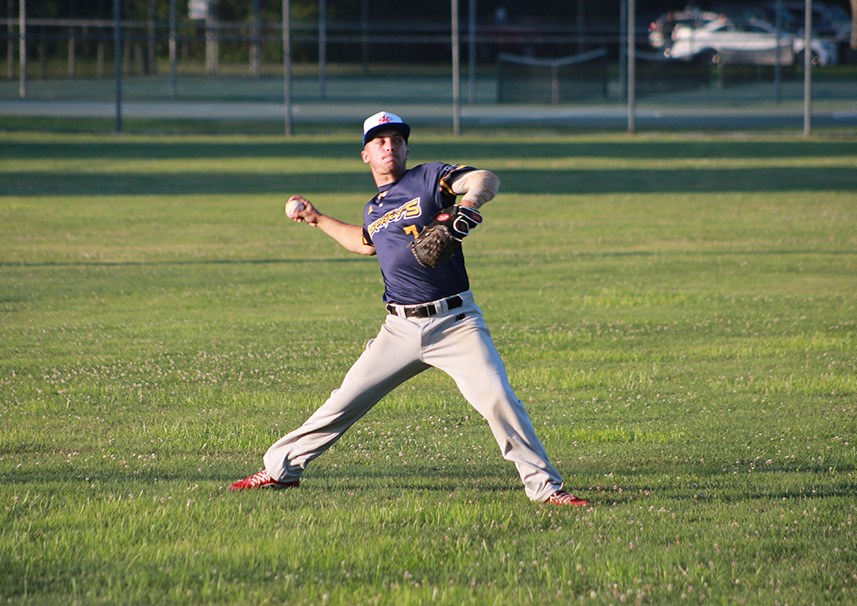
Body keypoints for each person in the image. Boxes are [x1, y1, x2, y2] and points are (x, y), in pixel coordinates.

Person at [228, 111, 588, 507]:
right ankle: (281, 470)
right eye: (380, 141)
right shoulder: (374, 209)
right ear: (366, 155)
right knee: (343, 401)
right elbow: (364, 243)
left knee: (498, 398)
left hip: (455, 324)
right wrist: (316, 219)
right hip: (399, 330)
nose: (389, 146)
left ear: (406, 150)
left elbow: (485, 179)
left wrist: (464, 208)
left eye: (397, 140)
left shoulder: (429, 178)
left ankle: (545, 489)